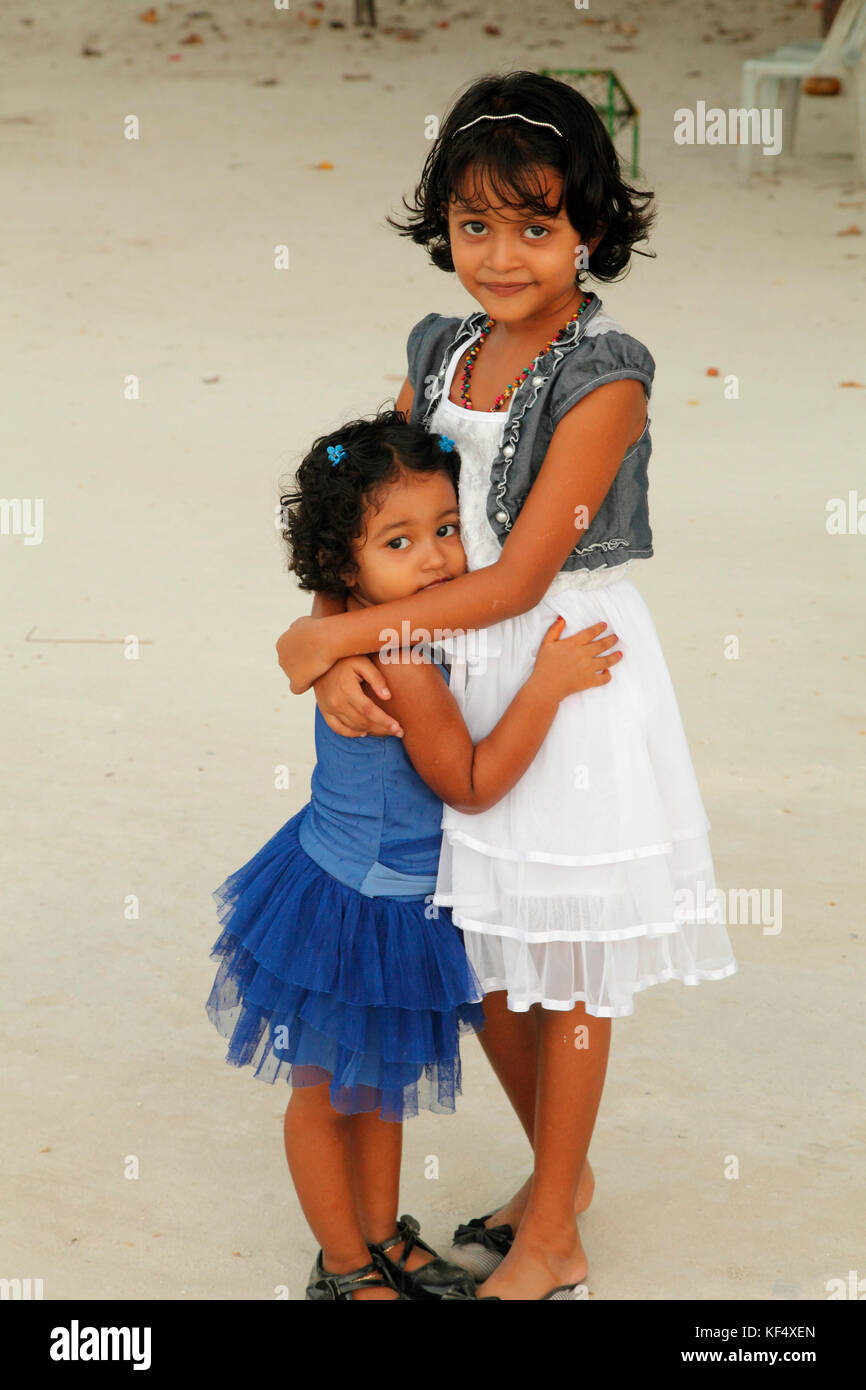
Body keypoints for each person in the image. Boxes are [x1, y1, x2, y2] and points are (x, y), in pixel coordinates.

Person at [274, 70, 739, 1301]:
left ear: (590, 226)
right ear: (443, 229)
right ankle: (558, 1175)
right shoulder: (439, 351)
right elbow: (358, 503)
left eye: (536, 227)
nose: (500, 256)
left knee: (569, 956)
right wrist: (330, 634)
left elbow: (524, 572)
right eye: (474, 226)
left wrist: (343, 643)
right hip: (447, 671)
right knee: (480, 955)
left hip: (557, 669)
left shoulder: (605, 374)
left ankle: (551, 1238)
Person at [206, 408, 622, 1301]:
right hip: (356, 906)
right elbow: (469, 783)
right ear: (342, 567)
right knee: (325, 1094)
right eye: (400, 541)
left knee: (381, 1085)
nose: (435, 557)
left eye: (444, 529)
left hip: (383, 896)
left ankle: (383, 1235)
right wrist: (545, 689)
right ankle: (345, 1264)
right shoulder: (406, 661)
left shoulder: (378, 623)